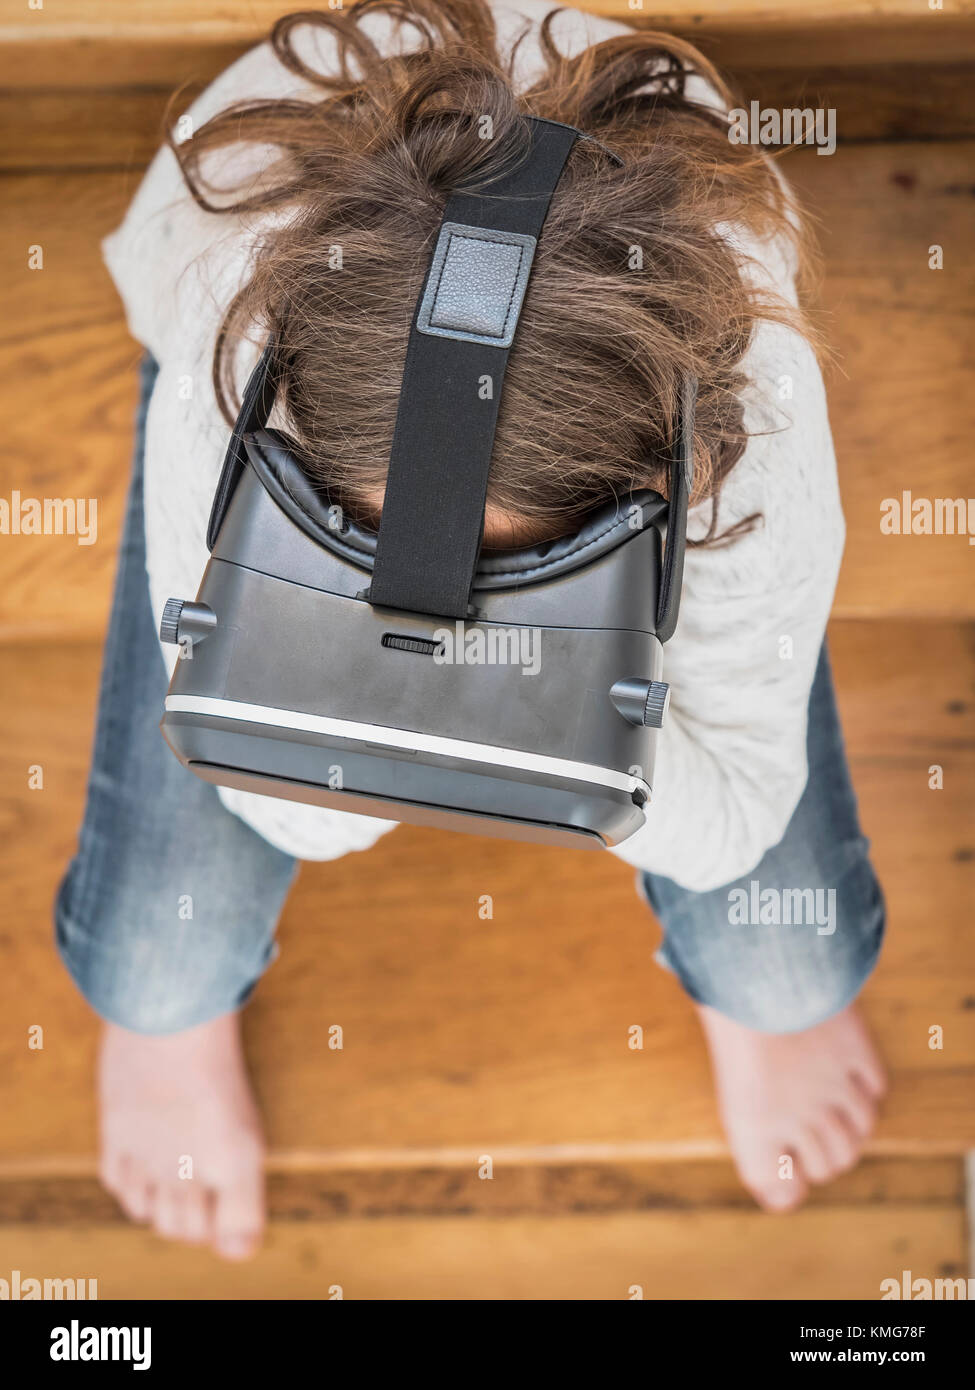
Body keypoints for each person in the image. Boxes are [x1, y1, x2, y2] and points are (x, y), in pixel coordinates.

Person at [56, 0, 886, 1262]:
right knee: (143, 973)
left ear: (662, 495)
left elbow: (741, 804)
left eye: (527, 575)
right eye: (370, 544)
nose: (449, 625)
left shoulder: (745, 419)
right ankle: (172, 1032)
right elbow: (291, 810)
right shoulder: (242, 334)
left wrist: (449, 710)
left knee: (797, 967)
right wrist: (523, 727)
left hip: (645, 374)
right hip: (262, 285)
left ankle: (561, 593)